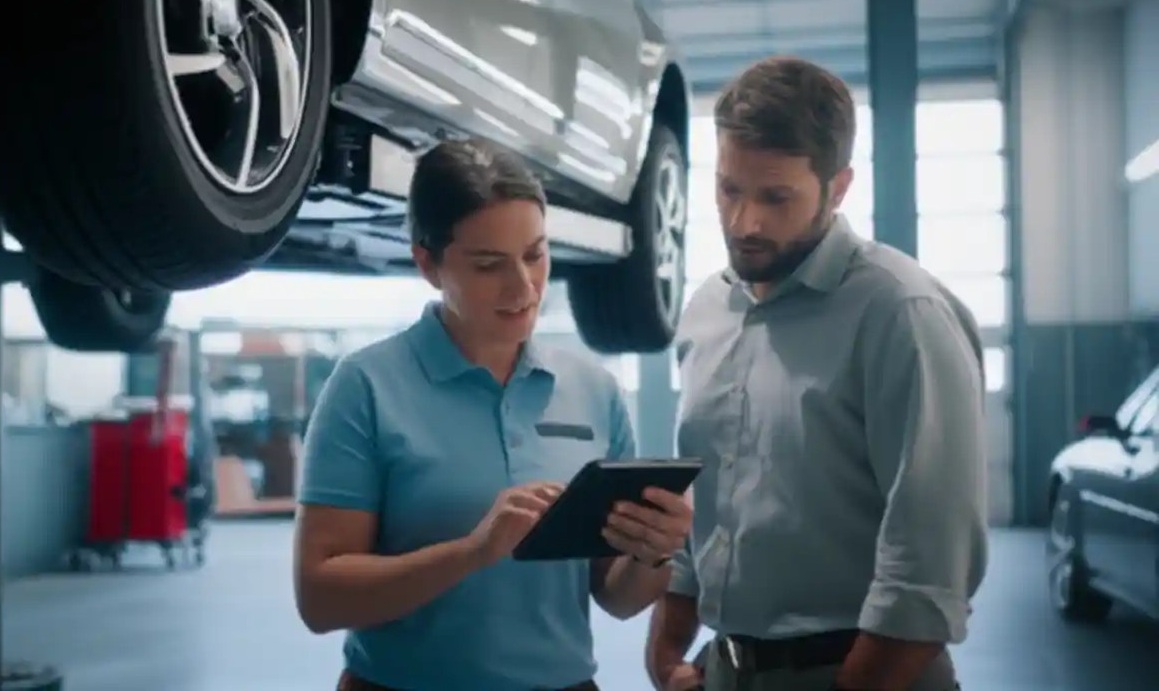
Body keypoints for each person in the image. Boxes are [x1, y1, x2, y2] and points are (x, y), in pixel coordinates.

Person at [292, 137, 694, 691]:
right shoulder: (366, 386)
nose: (524, 287)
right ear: (428, 264)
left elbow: (615, 597)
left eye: (535, 254)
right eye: (489, 265)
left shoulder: (592, 391)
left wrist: (654, 553)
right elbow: (319, 597)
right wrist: (472, 552)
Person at [644, 56, 988, 691]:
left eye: (776, 197)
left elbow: (930, 561)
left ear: (838, 187)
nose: (745, 222)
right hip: (727, 669)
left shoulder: (901, 312)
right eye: (728, 189)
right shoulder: (706, 311)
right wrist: (667, 653)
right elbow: (704, 508)